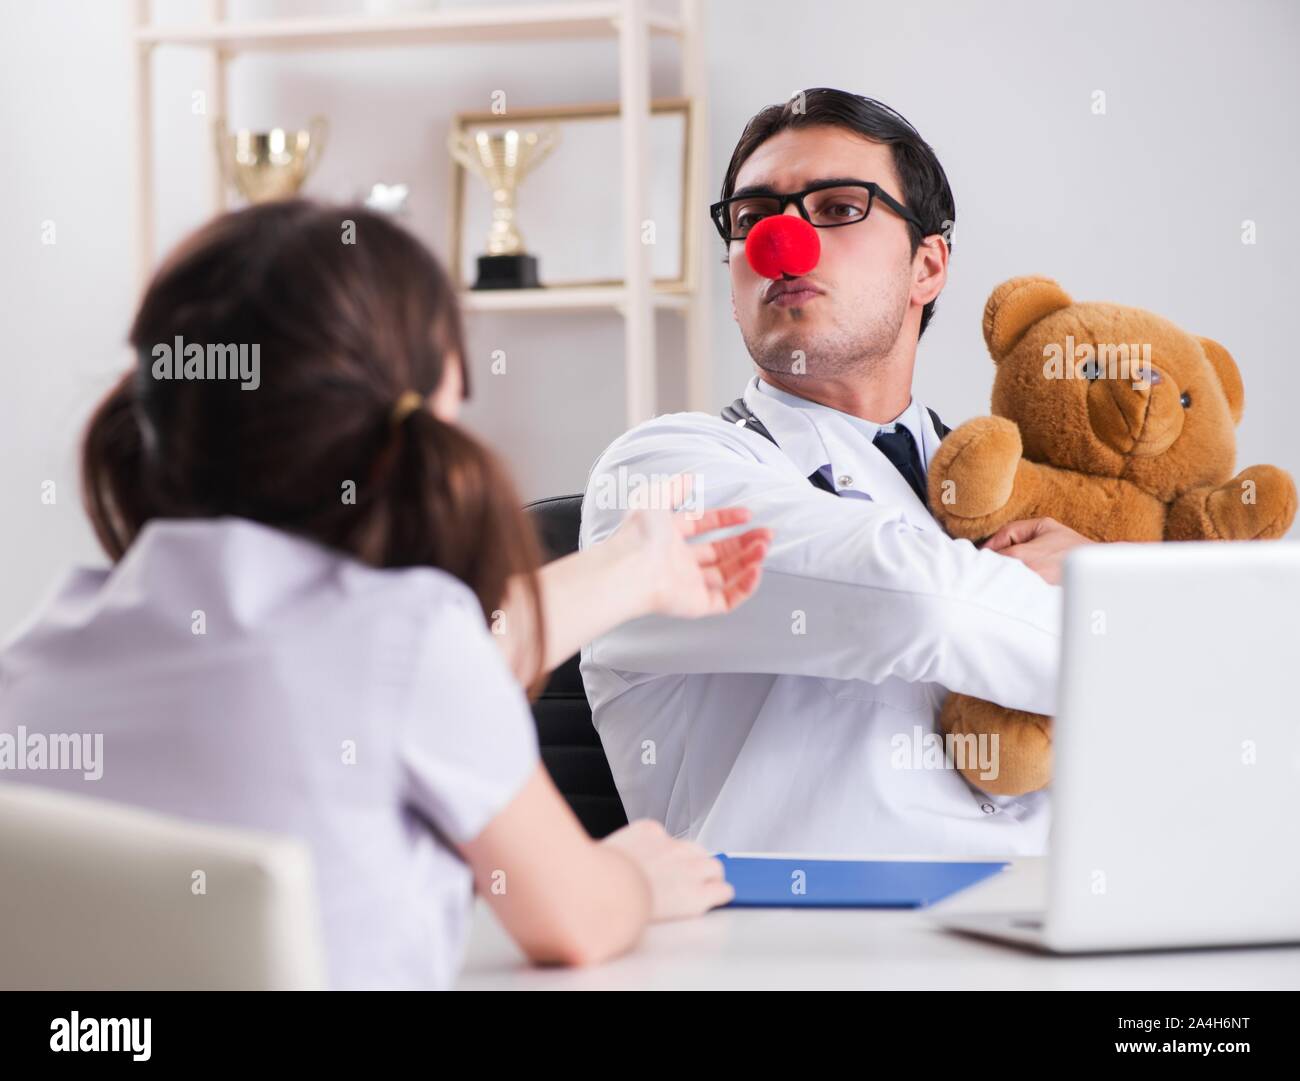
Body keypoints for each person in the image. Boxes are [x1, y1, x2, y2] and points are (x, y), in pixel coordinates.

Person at [0, 200, 772, 990]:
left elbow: (387, 673)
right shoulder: (408, 643)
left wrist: (633, 568)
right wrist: (637, 877)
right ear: (426, 404)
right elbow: (575, 920)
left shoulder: (40, 647)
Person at [579, 88, 1094, 857]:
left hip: (1051, 943)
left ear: (928, 265)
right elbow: (915, 604)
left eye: (837, 207)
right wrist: (1108, 598)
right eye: (754, 219)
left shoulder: (1029, 488)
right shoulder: (659, 473)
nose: (783, 241)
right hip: (798, 954)